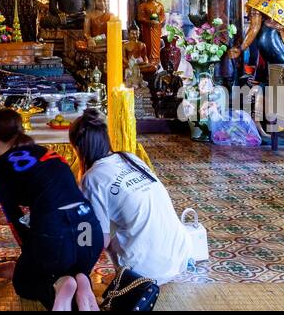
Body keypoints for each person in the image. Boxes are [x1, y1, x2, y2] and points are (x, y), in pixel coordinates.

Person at [0, 107, 102, 311]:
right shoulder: (47, 152)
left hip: (55, 230)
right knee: (70, 265)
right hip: (90, 229)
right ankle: (83, 279)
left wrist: (29, 257)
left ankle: (61, 284)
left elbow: (15, 218)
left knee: (27, 282)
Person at [69, 110, 193, 292]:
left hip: (146, 273)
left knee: (92, 226)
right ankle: (126, 273)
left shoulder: (93, 177)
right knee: (116, 213)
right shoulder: (129, 157)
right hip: (180, 254)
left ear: (78, 148)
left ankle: (125, 276)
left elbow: (99, 239)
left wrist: (76, 249)